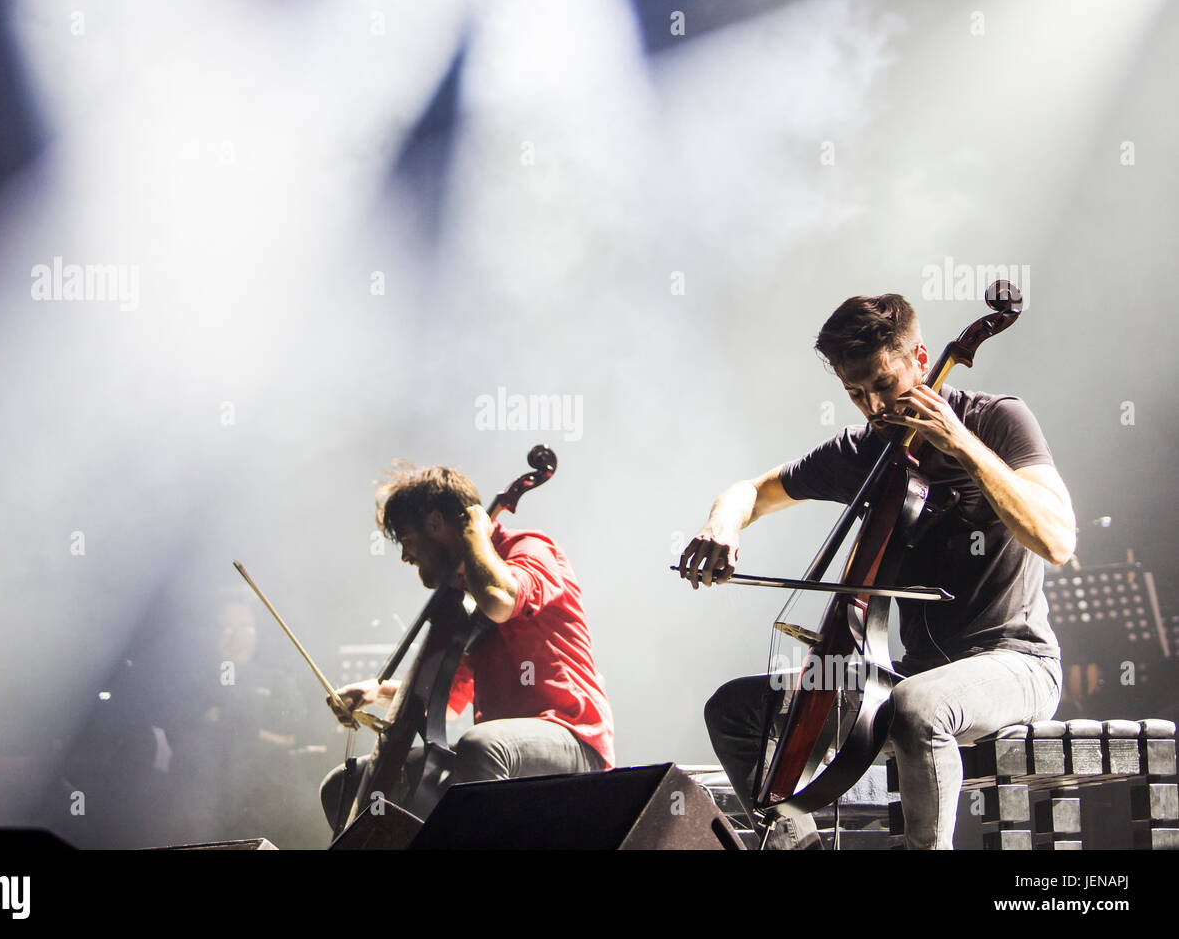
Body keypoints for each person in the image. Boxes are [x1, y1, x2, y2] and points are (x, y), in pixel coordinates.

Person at [678, 294, 1074, 849]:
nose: (873, 406)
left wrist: (960, 443)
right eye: (854, 393)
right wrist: (723, 524)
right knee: (735, 710)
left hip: (1016, 662)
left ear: (921, 356)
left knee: (917, 710)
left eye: (884, 385)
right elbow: (752, 491)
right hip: (914, 672)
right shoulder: (868, 452)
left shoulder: (997, 419)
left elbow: (1057, 538)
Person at [319, 463, 614, 832]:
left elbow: (499, 598)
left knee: (480, 747)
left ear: (436, 523)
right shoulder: (462, 592)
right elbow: (451, 695)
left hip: (573, 736)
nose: (405, 556)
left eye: (407, 540)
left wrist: (476, 535)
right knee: (343, 785)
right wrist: (377, 692)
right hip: (502, 747)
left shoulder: (528, 548)